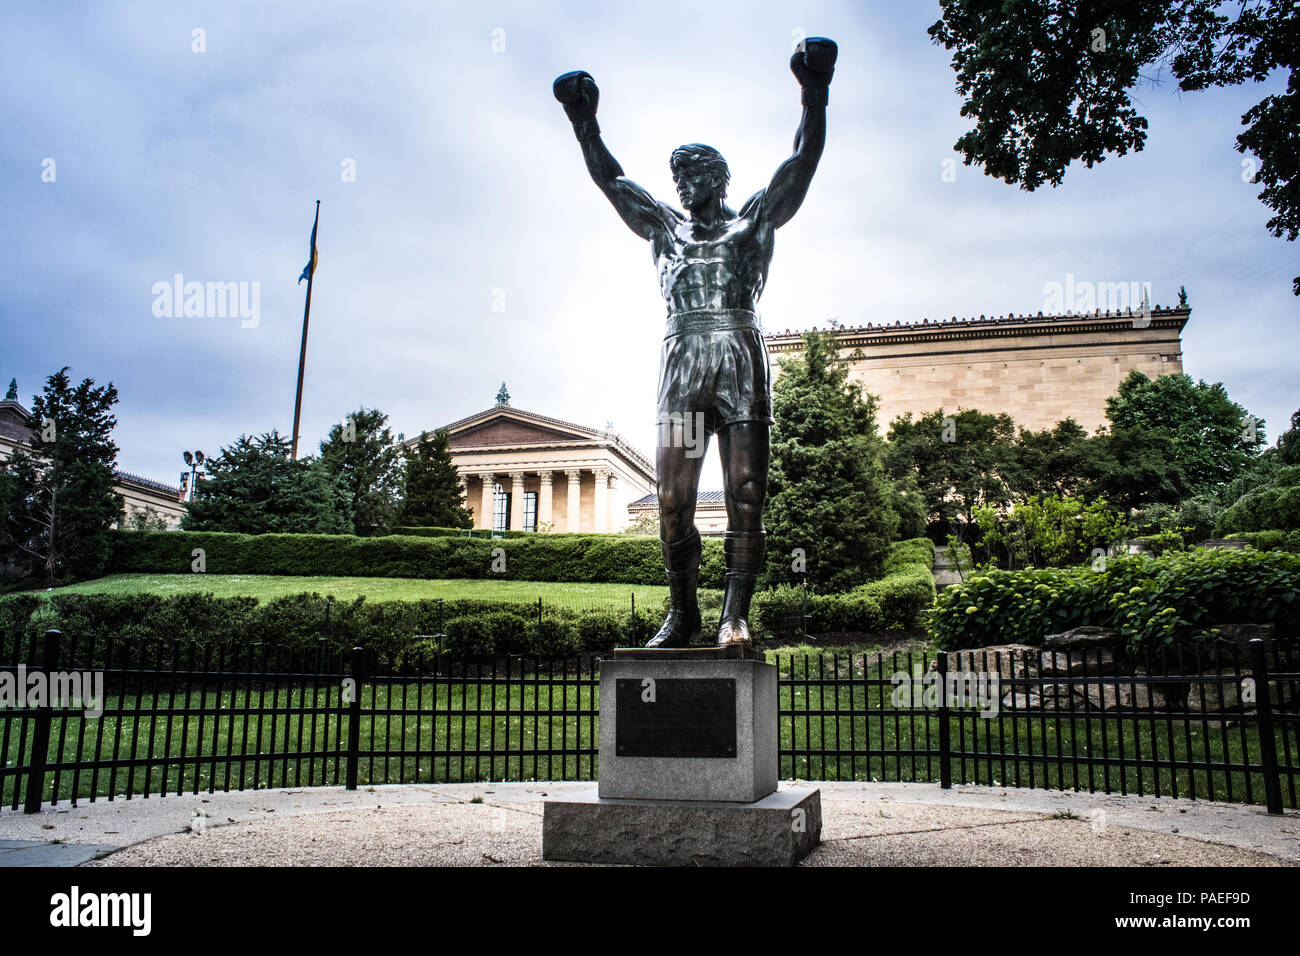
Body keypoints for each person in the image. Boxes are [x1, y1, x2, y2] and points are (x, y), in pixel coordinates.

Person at [553, 38, 837, 647]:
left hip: (739, 359)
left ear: (718, 177)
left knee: (746, 492)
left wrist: (815, 91)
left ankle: (734, 616)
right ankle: (682, 615)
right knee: (674, 498)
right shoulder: (664, 230)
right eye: (677, 175)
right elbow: (614, 181)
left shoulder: (754, 221)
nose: (681, 184)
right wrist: (585, 123)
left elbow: (802, 163)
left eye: (692, 174)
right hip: (683, 367)